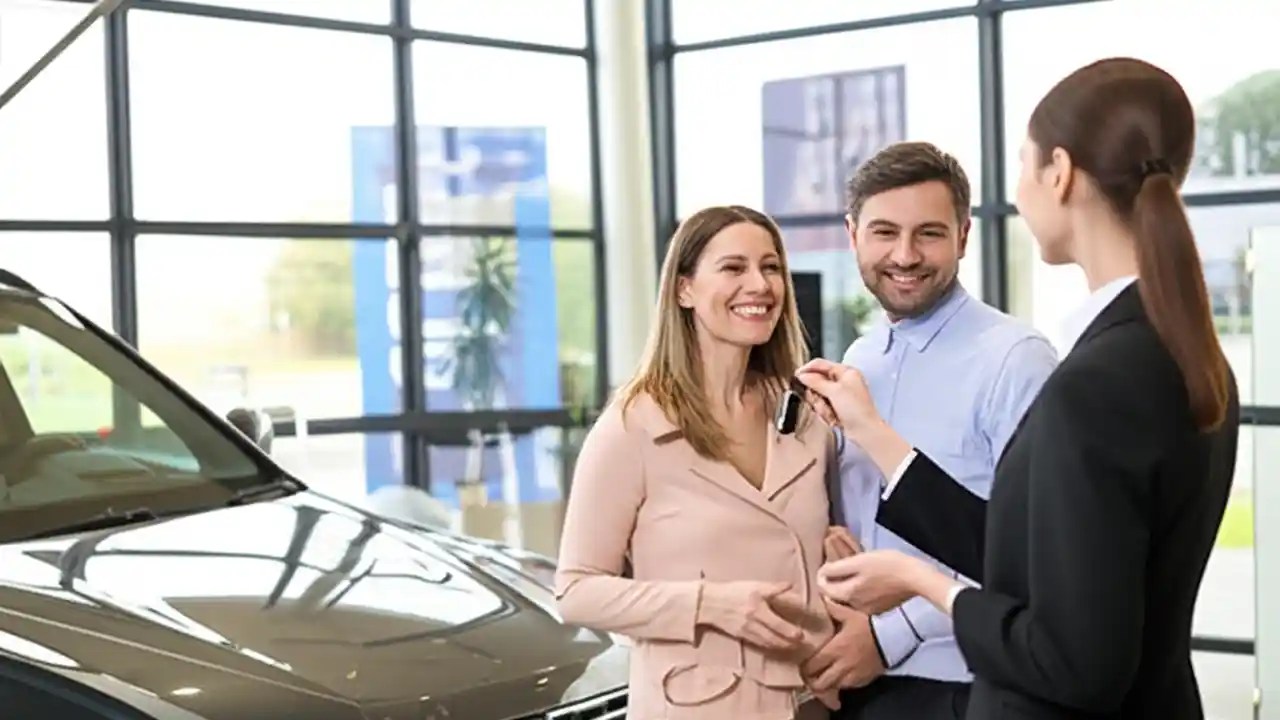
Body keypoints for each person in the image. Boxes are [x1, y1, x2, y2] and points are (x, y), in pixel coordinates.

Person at [800, 57, 1241, 720]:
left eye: (1023, 163)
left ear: (1058, 173)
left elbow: (1067, 651)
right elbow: (1052, 566)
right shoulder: (1181, 353)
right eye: (885, 232)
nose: (906, 254)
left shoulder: (1084, 380)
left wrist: (917, 585)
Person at [800, 142, 1058, 720]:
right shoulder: (860, 359)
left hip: (962, 688)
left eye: (930, 234)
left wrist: (889, 637)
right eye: (885, 232)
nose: (905, 255)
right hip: (852, 681)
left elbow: (1027, 553)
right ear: (852, 235)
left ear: (964, 236)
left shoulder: (1017, 360)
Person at [555, 205, 843, 719]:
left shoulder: (804, 418)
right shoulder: (633, 425)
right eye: (734, 268)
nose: (759, 284)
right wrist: (711, 604)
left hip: (811, 704)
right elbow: (576, 591)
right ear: (684, 289)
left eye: (771, 267)